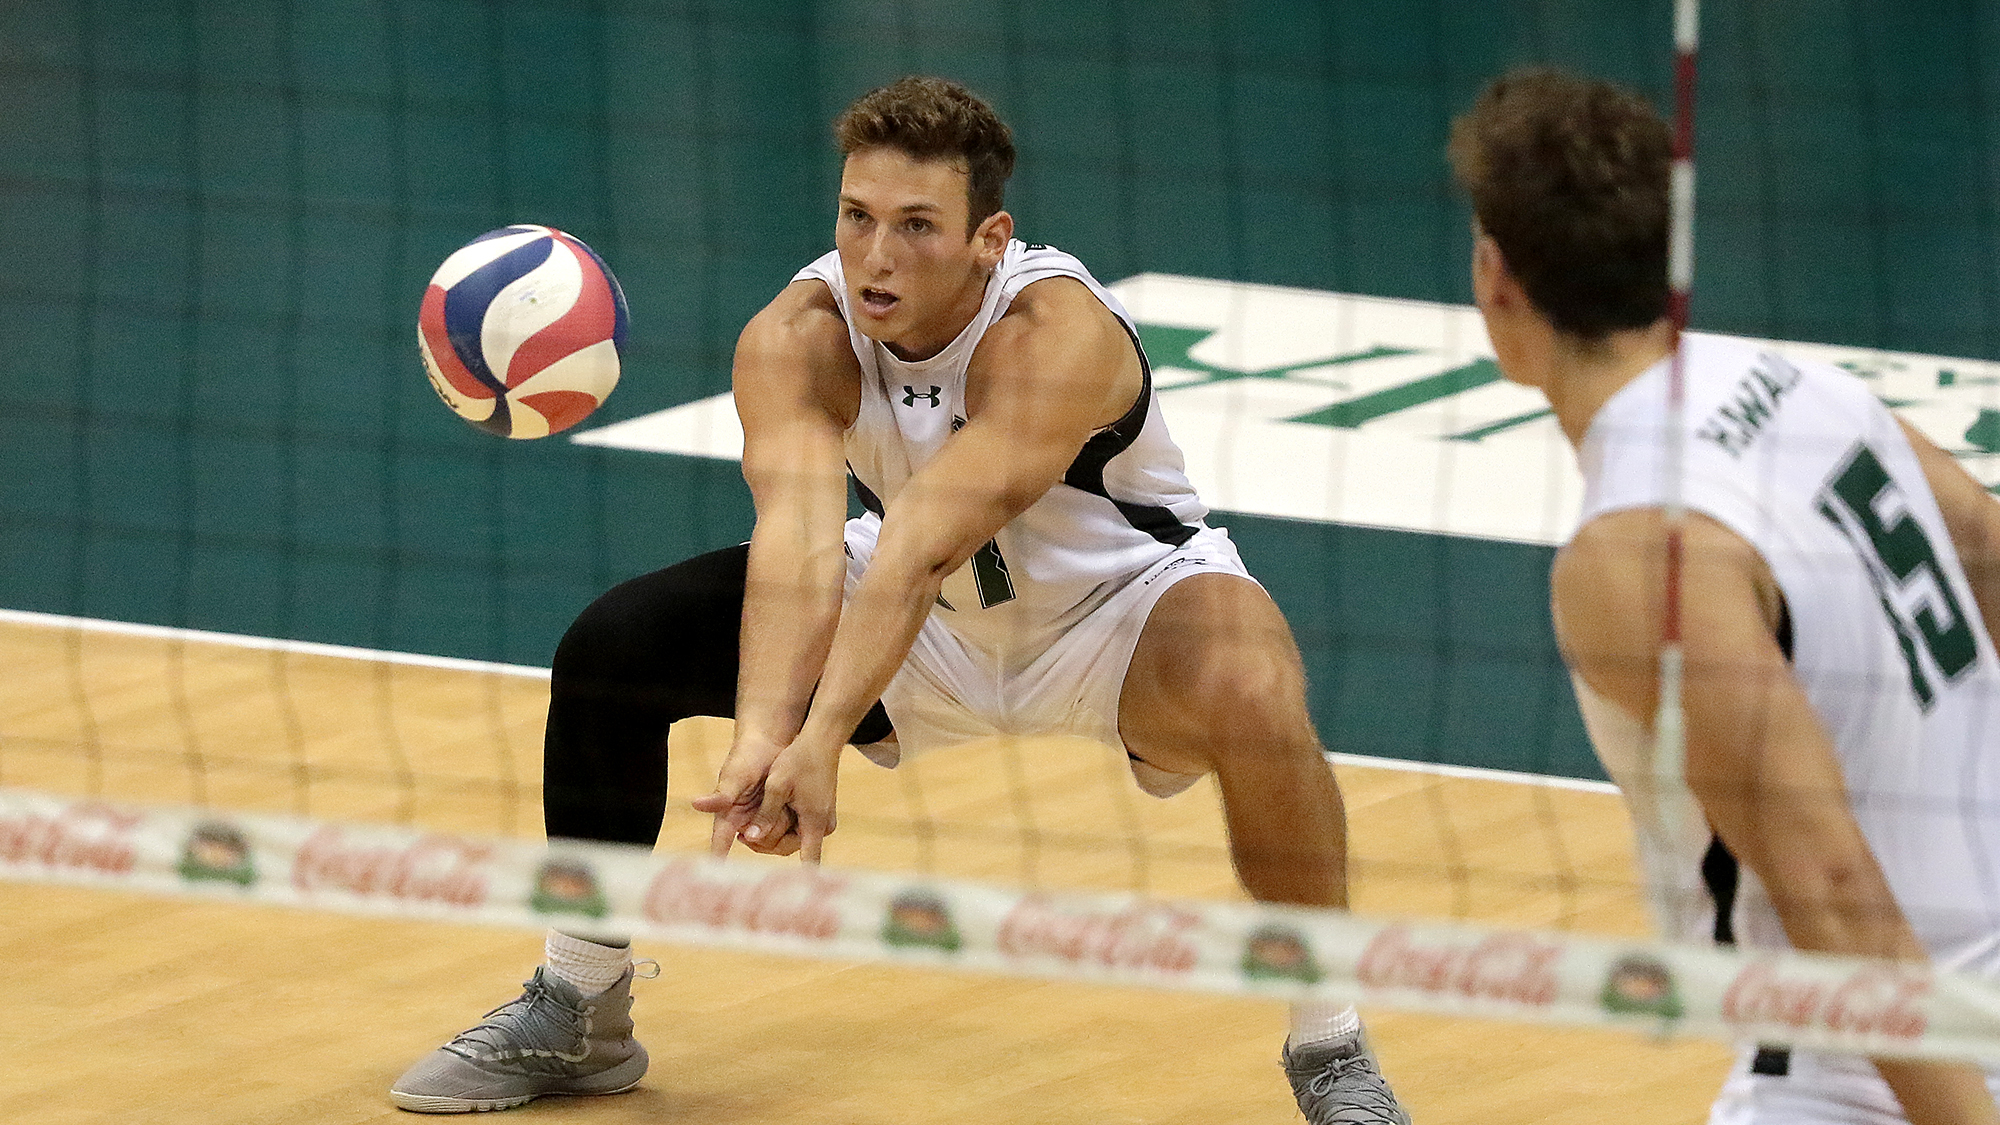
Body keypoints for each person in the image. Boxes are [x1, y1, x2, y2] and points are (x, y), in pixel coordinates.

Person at [392, 75, 1411, 1124]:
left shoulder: (1054, 333)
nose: (874, 256)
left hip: (1118, 613)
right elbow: (796, 539)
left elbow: (925, 546)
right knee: (616, 646)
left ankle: (1328, 1045)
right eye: (856, 217)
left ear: (987, 237)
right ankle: (580, 1002)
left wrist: (818, 736)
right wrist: (757, 735)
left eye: (916, 226)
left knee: (1252, 689)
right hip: (922, 623)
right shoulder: (798, 333)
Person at [1450, 67, 2000, 1125]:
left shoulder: (1631, 553)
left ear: (1496, 279)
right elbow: (1987, 548)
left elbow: (1826, 879)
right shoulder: (1803, 385)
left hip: (1872, 1066)